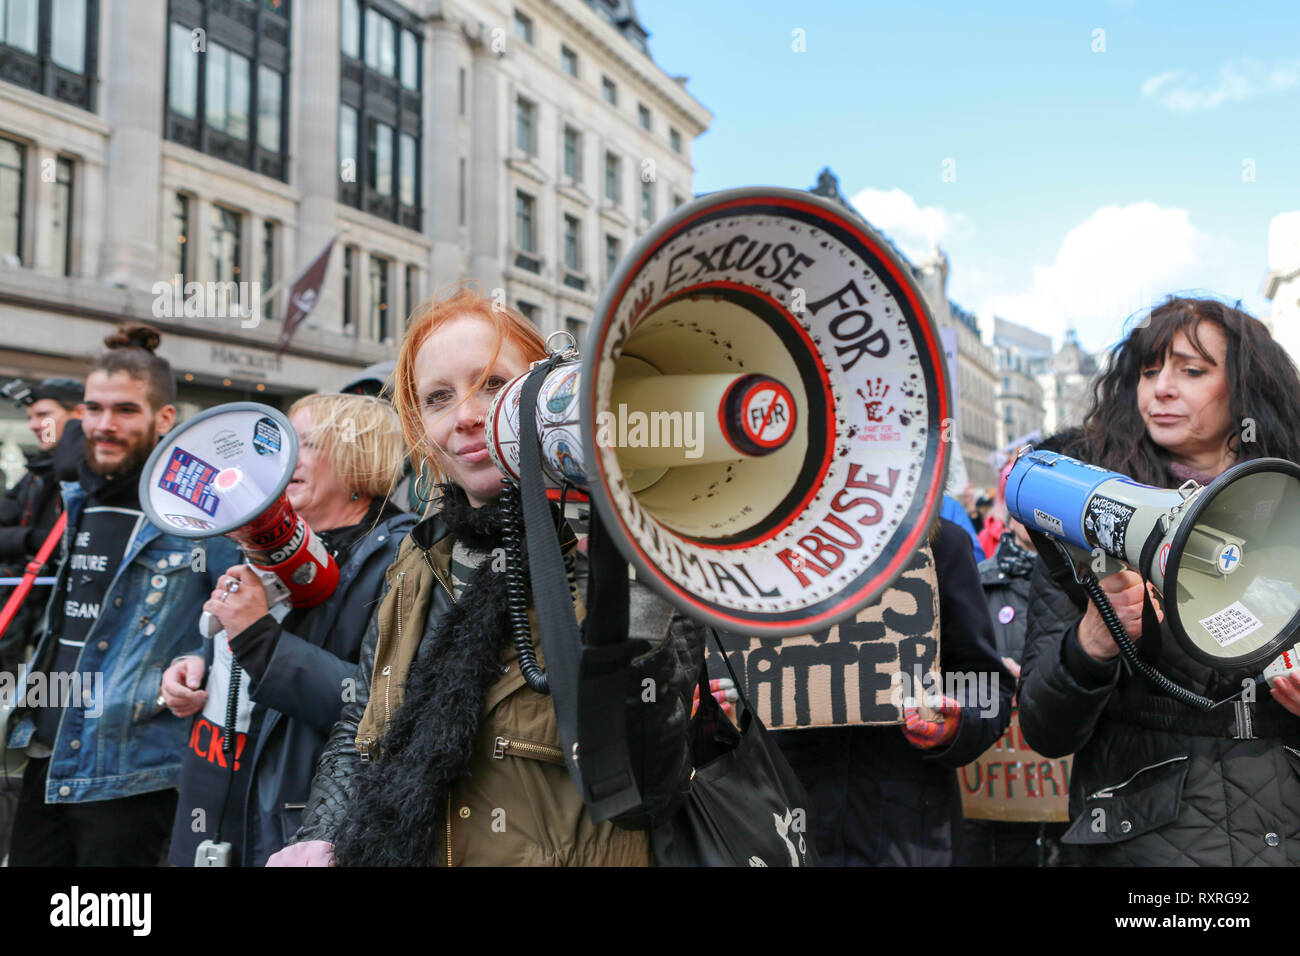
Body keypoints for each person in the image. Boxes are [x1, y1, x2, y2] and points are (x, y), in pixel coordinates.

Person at [268, 286, 704, 866]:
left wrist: (626, 578)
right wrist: (320, 833)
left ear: (551, 388)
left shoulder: (625, 550)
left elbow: (649, 785)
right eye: (439, 397)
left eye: (494, 385)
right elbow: (361, 720)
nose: (468, 416)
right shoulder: (420, 559)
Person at [1018, 296, 1300, 865]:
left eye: (1191, 371)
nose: (1161, 390)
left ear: (1246, 387)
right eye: (1149, 371)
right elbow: (1045, 730)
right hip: (1142, 847)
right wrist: (1093, 642)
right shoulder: (1085, 522)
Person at [5, 323, 239, 866]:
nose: (104, 426)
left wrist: (195, 663)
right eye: (93, 408)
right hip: (45, 751)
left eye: (125, 411)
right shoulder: (73, 496)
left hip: (129, 772)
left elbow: (235, 628)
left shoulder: (203, 514)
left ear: (164, 420)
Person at [161, 393, 414, 866]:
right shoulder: (269, 535)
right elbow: (233, 630)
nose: (283, 460)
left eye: (309, 444)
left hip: (288, 805)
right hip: (210, 775)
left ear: (360, 460)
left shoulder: (398, 560)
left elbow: (373, 709)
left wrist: (258, 638)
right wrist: (197, 662)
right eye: (279, 445)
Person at [772, 514, 1014, 866]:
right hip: (783, 820)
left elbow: (987, 685)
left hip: (905, 828)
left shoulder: (943, 545)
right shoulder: (761, 551)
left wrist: (957, 721)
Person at [0, 378, 84, 673]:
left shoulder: (90, 474)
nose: (35, 425)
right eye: (30, 417)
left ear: (80, 415)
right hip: (24, 612)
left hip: (66, 616)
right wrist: (32, 539)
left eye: (44, 415)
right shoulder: (35, 474)